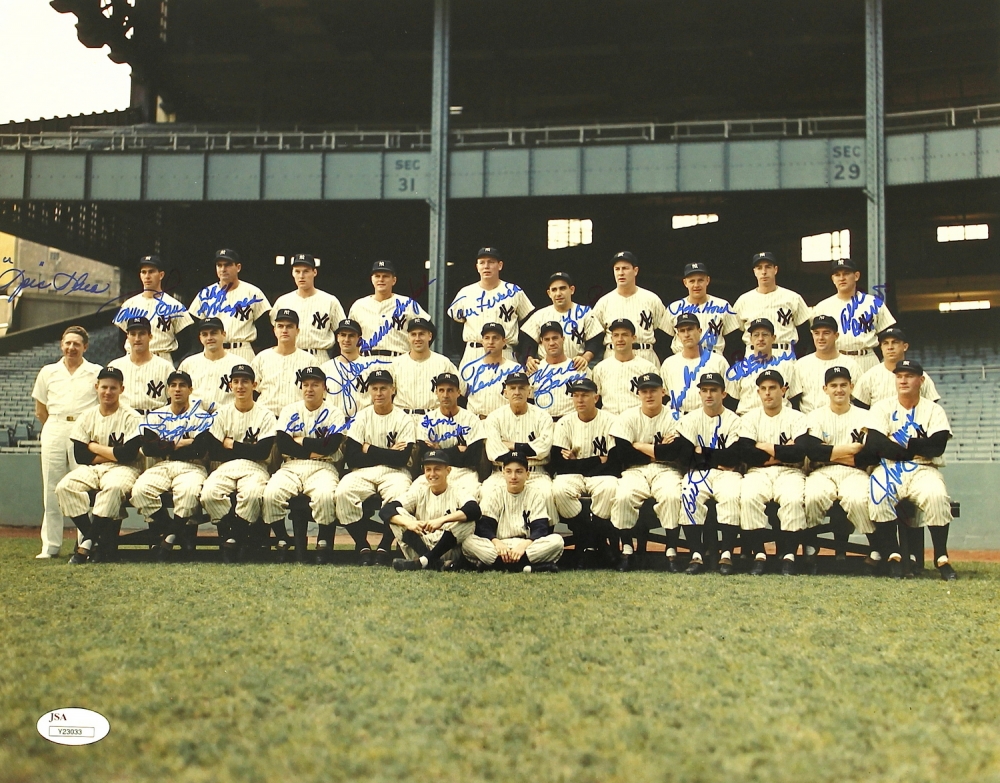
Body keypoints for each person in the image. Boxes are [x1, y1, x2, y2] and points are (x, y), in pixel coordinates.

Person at [864, 359, 957, 581]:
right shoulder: (882, 407)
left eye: (909, 376)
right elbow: (875, 445)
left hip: (924, 469)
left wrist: (895, 444)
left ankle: (941, 557)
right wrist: (915, 446)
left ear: (921, 380)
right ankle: (893, 556)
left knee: (936, 496)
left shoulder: (933, 410)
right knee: (879, 496)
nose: (903, 380)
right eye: (899, 376)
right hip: (889, 468)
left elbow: (937, 446)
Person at [56, 366, 143, 564]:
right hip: (94, 468)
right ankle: (97, 542)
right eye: (104, 387)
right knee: (65, 487)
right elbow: (80, 456)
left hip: (126, 469)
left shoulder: (132, 416)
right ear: (96, 387)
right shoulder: (87, 416)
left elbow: (128, 455)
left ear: (122, 389)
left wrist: (94, 447)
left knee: (112, 489)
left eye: (113, 388)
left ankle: (85, 546)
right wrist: (114, 454)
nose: (108, 392)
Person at [263, 366, 348, 564]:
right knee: (270, 494)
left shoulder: (334, 413)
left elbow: (330, 446)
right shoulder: (289, 410)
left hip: (323, 467)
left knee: (326, 496)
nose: (309, 389)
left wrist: (301, 441)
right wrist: (313, 449)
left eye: (315, 385)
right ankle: (283, 538)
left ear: (324, 388)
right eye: (306, 385)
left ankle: (323, 541)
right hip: (291, 466)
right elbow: (283, 443)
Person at [31, 326, 101, 559]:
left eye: (77, 344)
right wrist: (55, 427)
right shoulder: (48, 371)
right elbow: (40, 409)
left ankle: (85, 543)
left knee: (81, 487)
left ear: (85, 347)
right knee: (51, 488)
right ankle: (50, 546)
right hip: (55, 427)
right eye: (68, 343)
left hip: (83, 430)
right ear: (62, 344)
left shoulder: (95, 372)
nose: (72, 348)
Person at [334, 369, 416, 566]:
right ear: (369, 390)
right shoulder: (361, 417)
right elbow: (353, 458)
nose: (379, 393)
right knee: (343, 492)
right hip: (362, 472)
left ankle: (385, 545)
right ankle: (362, 545)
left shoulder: (403, 418)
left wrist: (368, 448)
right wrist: (387, 453)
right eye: (375, 388)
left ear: (392, 390)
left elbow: (402, 459)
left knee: (400, 495)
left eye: (384, 388)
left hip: (395, 473)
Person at [131, 371, 216, 560]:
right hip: (162, 465)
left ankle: (168, 539)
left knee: (188, 494)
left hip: (192, 467)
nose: (178, 389)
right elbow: (148, 448)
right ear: (168, 389)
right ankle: (178, 533)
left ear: (190, 389)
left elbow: (200, 450)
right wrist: (179, 444)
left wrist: (164, 444)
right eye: (173, 385)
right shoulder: (156, 415)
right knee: (139, 491)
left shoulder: (202, 416)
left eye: (182, 385)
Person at [610, 372, 688, 572]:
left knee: (671, 496)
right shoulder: (627, 417)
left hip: (667, 470)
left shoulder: (675, 416)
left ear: (663, 392)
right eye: (644, 391)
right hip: (634, 471)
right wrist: (658, 451)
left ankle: (671, 551)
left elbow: (675, 452)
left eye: (653, 390)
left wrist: (638, 445)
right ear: (638, 394)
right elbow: (623, 455)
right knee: (623, 496)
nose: (649, 395)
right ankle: (627, 549)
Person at [738, 369, 814, 575]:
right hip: (758, 472)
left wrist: (765, 447)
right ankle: (759, 554)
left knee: (793, 499)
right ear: (758, 392)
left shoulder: (797, 417)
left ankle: (789, 555)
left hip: (790, 472)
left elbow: (799, 453)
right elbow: (746, 453)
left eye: (773, 388)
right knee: (748, 498)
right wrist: (783, 450)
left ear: (784, 390)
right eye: (763, 389)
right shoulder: (750, 418)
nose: (768, 393)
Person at [199, 364, 277, 562]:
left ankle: (232, 540)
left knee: (251, 495)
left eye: (245, 381)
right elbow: (215, 451)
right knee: (208, 495)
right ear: (230, 386)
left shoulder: (265, 414)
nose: (240, 386)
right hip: (225, 467)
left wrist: (231, 444)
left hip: (256, 468)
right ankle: (237, 535)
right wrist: (246, 449)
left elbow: (262, 452)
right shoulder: (221, 413)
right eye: (236, 382)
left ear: (254, 385)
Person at [803, 366, 876, 573]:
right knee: (813, 496)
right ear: (825, 389)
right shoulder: (815, 416)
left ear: (851, 387)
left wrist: (830, 452)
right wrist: (849, 450)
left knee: (858, 499)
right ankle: (810, 547)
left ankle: (876, 548)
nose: (839, 390)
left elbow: (867, 455)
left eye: (843, 385)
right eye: (834, 385)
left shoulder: (865, 416)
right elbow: (814, 452)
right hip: (822, 472)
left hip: (855, 472)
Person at [674, 373, 744, 575]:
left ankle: (727, 554)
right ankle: (696, 554)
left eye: (713, 390)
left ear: (724, 393)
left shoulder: (734, 420)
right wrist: (717, 458)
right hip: (698, 472)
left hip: (727, 474)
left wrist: (701, 451)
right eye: (704, 390)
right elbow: (684, 458)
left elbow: (733, 457)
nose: (709, 394)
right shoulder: (690, 419)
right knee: (689, 493)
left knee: (730, 497)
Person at [550, 378, 620, 568]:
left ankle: (585, 544)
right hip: (575, 477)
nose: (580, 399)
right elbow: (559, 465)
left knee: (610, 488)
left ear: (596, 397)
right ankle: (594, 539)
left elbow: (614, 463)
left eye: (585, 395)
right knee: (559, 490)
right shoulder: (564, 423)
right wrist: (598, 460)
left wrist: (576, 462)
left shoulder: (611, 421)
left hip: (603, 477)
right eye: (576, 395)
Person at [379, 450, 482, 571]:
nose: (432, 474)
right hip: (421, 545)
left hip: (447, 548)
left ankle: (425, 562)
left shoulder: (457, 491)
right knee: (397, 516)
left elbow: (474, 510)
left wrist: (441, 520)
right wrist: (409, 523)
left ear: (448, 471)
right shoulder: (419, 491)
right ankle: (432, 562)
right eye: (428, 469)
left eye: (437, 469)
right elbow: (386, 510)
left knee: (468, 522)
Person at [461, 451, 563, 572]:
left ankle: (497, 566)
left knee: (557, 541)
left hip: (525, 546)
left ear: (527, 474)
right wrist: (497, 543)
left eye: (519, 471)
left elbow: (540, 528)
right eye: (509, 471)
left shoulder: (536, 494)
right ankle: (526, 567)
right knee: (468, 542)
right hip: (499, 546)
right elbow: (484, 527)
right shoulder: (495, 493)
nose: (513, 476)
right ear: (503, 473)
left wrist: (523, 546)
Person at [447, 246, 534, 379]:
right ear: (477, 267)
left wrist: (526, 355)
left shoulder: (514, 291)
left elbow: (529, 327)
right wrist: (467, 351)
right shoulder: (465, 293)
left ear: (500, 265)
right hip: (474, 352)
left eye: (491, 262)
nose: (486, 266)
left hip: (506, 353)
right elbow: (455, 329)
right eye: (482, 262)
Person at [481, 372, 555, 515]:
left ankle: (545, 534)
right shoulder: (494, 418)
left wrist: (513, 446)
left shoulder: (543, 416)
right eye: (512, 388)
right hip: (502, 473)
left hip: (536, 474)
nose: (517, 392)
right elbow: (494, 453)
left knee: (546, 494)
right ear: (505, 392)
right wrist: (528, 449)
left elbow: (543, 450)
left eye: (521, 388)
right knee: (487, 491)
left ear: (529, 391)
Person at [810, 258, 895, 373]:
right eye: (837, 275)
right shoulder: (822, 307)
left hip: (866, 358)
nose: (842, 278)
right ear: (833, 279)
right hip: (836, 359)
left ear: (856, 276)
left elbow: (888, 336)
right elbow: (815, 340)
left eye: (846, 274)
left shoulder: (874, 303)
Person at [189, 249, 271, 360]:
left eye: (227, 265)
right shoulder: (205, 294)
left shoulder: (253, 293)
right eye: (219, 265)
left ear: (238, 267)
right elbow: (194, 329)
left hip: (241, 350)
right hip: (212, 352)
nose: (223, 269)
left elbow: (265, 329)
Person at [414, 372, 485, 499]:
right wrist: (457, 450)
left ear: (458, 392)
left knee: (472, 497)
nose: (445, 395)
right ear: (436, 392)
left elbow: (473, 457)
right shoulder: (426, 420)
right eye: (441, 390)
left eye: (450, 390)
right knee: (414, 492)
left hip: (464, 473)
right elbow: (424, 456)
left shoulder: (471, 419)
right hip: (433, 472)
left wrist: (437, 451)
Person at [592, 251, 669, 366]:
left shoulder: (652, 299)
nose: (621, 273)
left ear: (635, 271)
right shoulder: (604, 302)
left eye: (625, 268)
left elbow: (665, 335)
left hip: (645, 354)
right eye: (617, 269)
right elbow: (594, 338)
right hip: (613, 358)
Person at [113, 254, 192, 359]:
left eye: (151, 271)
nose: (147, 276)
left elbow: (186, 344)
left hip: (161, 358)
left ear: (161, 275)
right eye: (143, 272)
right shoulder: (128, 305)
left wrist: (166, 360)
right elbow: (121, 342)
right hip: (133, 360)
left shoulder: (175, 306)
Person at [270, 253, 346, 361]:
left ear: (314, 272)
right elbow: (274, 330)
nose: (301, 276)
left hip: (319, 356)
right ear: (292, 273)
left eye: (306, 271)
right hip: (290, 356)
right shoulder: (283, 301)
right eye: (297, 271)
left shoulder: (330, 301)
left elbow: (343, 333)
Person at [520, 272, 603, 370]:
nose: (558, 293)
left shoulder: (585, 312)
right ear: (549, 293)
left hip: (577, 366)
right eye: (554, 290)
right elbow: (528, 342)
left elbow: (596, 340)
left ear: (571, 290)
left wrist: (586, 357)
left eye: (562, 288)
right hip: (547, 370)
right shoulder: (539, 315)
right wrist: (529, 359)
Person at [733, 251, 810, 356]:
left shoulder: (792, 298)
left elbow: (805, 333)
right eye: (759, 268)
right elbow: (734, 336)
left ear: (775, 269)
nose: (764, 272)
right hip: (753, 355)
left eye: (768, 267)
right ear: (754, 271)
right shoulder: (743, 300)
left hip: (783, 354)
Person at [660, 313, 735, 419]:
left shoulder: (718, 361)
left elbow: (729, 395)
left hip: (709, 418)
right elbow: (663, 396)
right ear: (678, 335)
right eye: (682, 331)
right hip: (677, 419)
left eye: (690, 329)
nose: (686, 334)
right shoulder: (669, 363)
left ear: (699, 331)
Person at [348, 259, 429, 358]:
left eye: (385, 276)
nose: (381, 279)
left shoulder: (407, 304)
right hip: (366, 360)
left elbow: (429, 328)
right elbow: (350, 335)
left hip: (398, 359)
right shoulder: (359, 306)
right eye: (377, 276)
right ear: (372, 279)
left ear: (394, 280)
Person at [664, 262, 741, 356]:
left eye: (700, 280)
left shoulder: (723, 305)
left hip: (714, 358)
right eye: (692, 281)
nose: (696, 285)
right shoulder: (674, 308)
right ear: (685, 282)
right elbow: (664, 341)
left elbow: (734, 342)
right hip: (682, 360)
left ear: (707, 280)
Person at [390, 317, 459, 421]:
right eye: (413, 334)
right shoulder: (396, 363)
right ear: (408, 337)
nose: (417, 338)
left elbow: (459, 390)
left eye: (421, 334)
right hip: (403, 419)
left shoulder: (443, 362)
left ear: (429, 336)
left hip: (434, 418)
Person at [727, 318, 802, 414]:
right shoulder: (739, 369)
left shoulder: (788, 366)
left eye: (765, 334)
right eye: (756, 335)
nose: (760, 339)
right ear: (750, 339)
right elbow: (732, 402)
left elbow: (795, 399)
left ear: (773, 338)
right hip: (747, 419)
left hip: (780, 419)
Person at [320, 318, 388, 423]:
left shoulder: (372, 367)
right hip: (333, 424)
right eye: (343, 335)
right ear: (337, 337)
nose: (346, 339)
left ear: (359, 339)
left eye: (351, 335)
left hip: (364, 423)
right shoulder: (325, 368)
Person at [852, 327, 940, 408]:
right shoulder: (869, 377)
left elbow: (931, 406)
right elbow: (861, 411)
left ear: (905, 347)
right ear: (881, 347)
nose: (890, 347)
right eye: (885, 343)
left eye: (895, 342)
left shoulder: (919, 375)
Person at [251, 308, 315, 416]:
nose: (284, 330)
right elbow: (251, 391)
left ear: (297, 331)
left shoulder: (310, 360)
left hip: (297, 417)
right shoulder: (261, 358)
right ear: (274, 330)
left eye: (289, 326)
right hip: (266, 417)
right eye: (280, 326)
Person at [108, 317, 175, 414]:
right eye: (133, 334)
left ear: (150, 336)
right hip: (123, 420)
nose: (137, 339)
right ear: (128, 337)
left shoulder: (166, 367)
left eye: (142, 334)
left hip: (155, 419)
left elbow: (173, 401)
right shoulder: (115, 366)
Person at [591, 318, 658, 416]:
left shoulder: (648, 368)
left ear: (633, 338)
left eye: (625, 335)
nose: (620, 339)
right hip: (609, 420)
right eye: (616, 335)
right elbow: (595, 400)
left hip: (638, 420)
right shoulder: (600, 368)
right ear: (611, 339)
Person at [795, 315, 859, 415]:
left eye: (826, 333)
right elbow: (794, 401)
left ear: (836, 335)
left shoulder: (851, 365)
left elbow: (859, 400)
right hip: (808, 421)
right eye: (816, 333)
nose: (821, 338)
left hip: (842, 420)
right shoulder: (800, 365)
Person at [527, 321, 590, 420]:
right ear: (541, 342)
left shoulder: (578, 366)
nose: (551, 343)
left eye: (555, 338)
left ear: (563, 339)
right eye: (547, 339)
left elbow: (591, 401)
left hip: (572, 422)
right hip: (543, 423)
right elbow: (528, 403)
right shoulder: (534, 368)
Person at [177, 317, 243, 411]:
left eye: (213, 333)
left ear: (223, 334)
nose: (209, 338)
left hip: (227, 418)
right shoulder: (188, 363)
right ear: (200, 338)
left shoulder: (239, 363)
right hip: (194, 418)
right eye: (204, 334)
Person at [463, 322, 523, 419]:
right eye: (487, 338)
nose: (491, 342)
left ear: (504, 341)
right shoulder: (469, 369)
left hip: (504, 422)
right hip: (477, 422)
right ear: (482, 341)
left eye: (495, 338)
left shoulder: (516, 369)